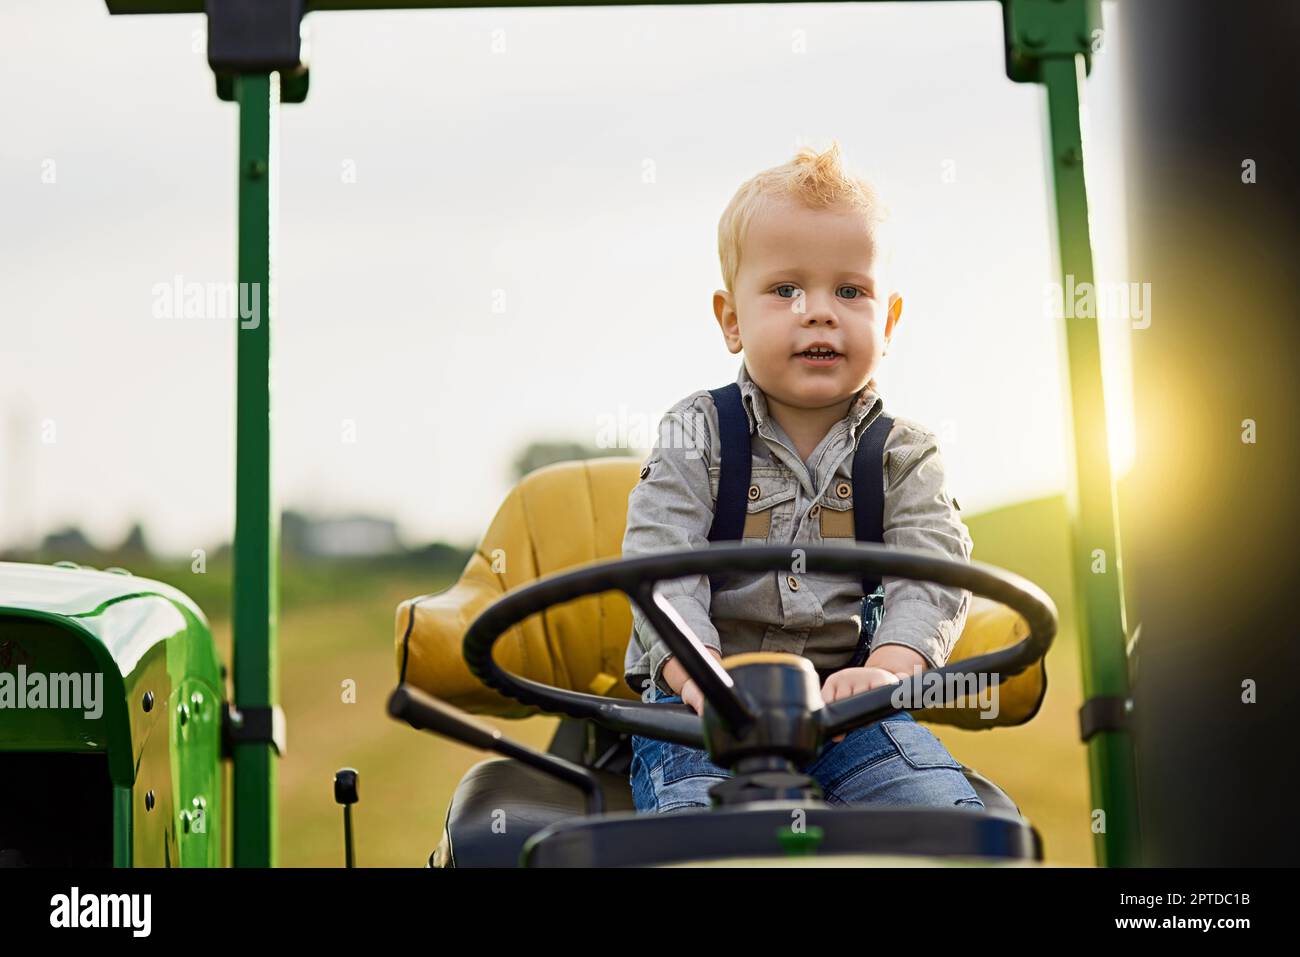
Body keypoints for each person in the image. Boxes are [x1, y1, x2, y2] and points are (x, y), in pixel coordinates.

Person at [621, 141, 984, 814]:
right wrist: (699, 671)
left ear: (890, 320)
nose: (818, 310)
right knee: (699, 831)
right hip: (702, 711)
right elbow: (661, 561)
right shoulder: (695, 433)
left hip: (849, 707)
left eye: (850, 290)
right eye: (786, 289)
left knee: (940, 817)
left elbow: (930, 570)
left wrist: (889, 668)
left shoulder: (905, 454)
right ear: (732, 319)